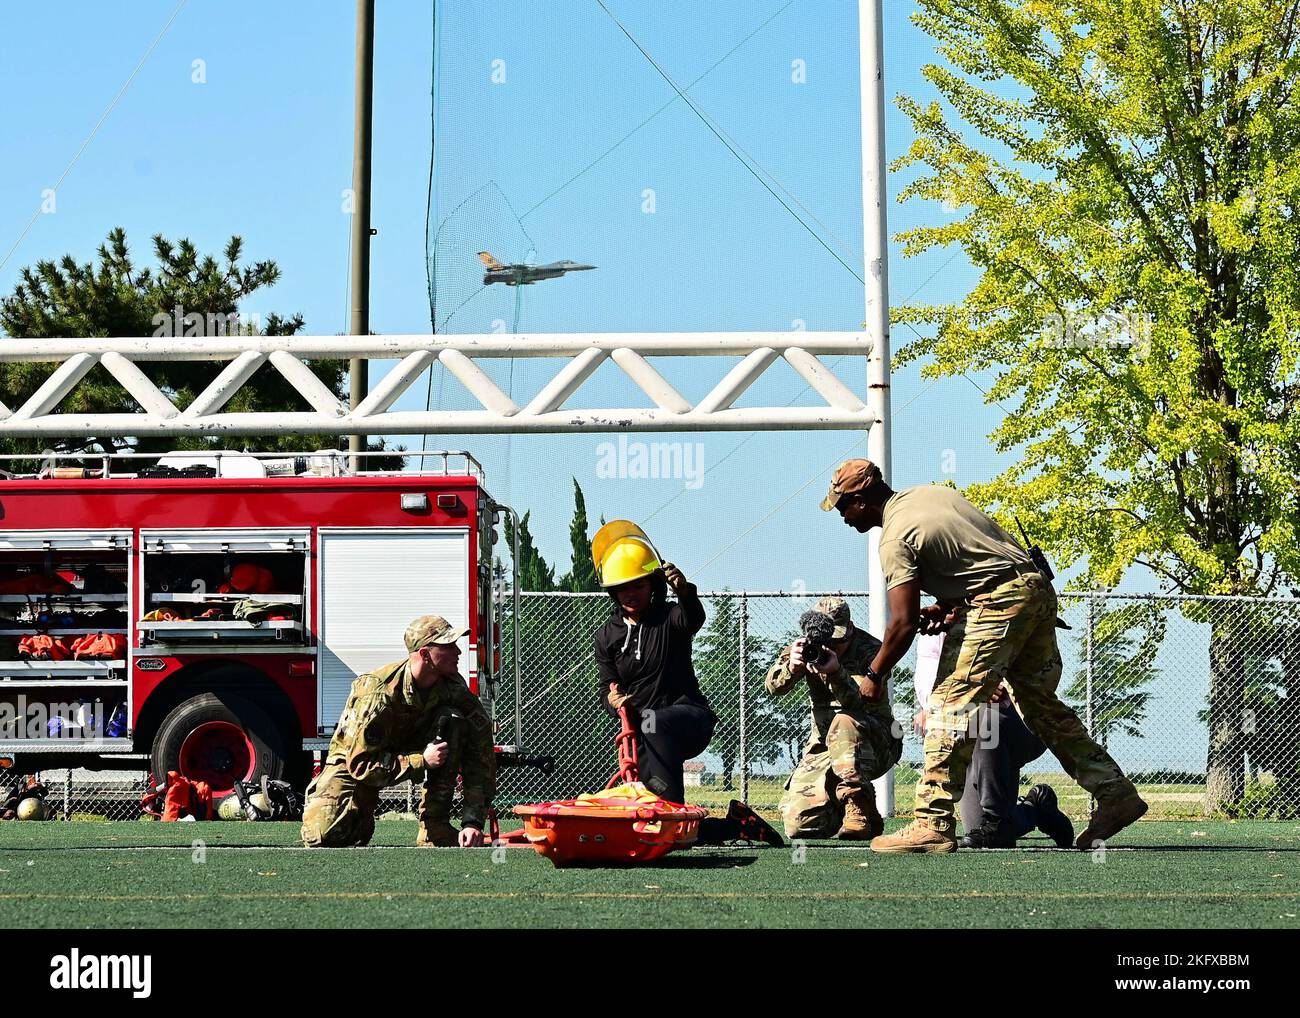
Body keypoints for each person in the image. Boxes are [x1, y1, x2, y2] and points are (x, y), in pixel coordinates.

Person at [820, 458, 1147, 853]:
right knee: (1039, 706)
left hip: (998, 603)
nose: (842, 517)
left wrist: (875, 674)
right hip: (1034, 588)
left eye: (842, 507)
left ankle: (932, 822)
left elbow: (902, 623)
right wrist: (951, 604)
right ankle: (1114, 793)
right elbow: (983, 557)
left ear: (861, 498)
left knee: (947, 704)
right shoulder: (930, 495)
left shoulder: (894, 539)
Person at [301, 614, 495, 848]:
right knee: (324, 835)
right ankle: (356, 817)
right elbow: (360, 764)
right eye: (448, 646)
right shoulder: (378, 693)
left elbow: (480, 750)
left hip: (409, 750)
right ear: (425, 654)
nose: (458, 652)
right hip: (356, 763)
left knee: (455, 721)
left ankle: (435, 827)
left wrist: (473, 822)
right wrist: (420, 761)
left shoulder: (453, 686)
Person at [765, 596, 902, 840]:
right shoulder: (808, 647)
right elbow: (773, 687)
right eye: (824, 641)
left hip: (875, 741)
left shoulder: (874, 652)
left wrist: (837, 672)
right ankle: (856, 810)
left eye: (836, 640)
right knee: (800, 826)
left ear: (850, 629)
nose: (830, 647)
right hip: (825, 745)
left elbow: (862, 702)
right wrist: (791, 668)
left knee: (844, 720)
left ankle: (857, 805)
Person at [592, 548, 716, 806]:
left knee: (654, 722)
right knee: (652, 801)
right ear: (613, 592)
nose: (631, 593)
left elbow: (693, 618)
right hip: (645, 733)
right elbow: (607, 686)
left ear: (652, 586)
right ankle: (733, 825)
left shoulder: (669, 616)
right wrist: (612, 701)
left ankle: (672, 822)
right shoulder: (606, 636)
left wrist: (684, 591)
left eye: (638, 585)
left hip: (688, 717)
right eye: (623, 587)